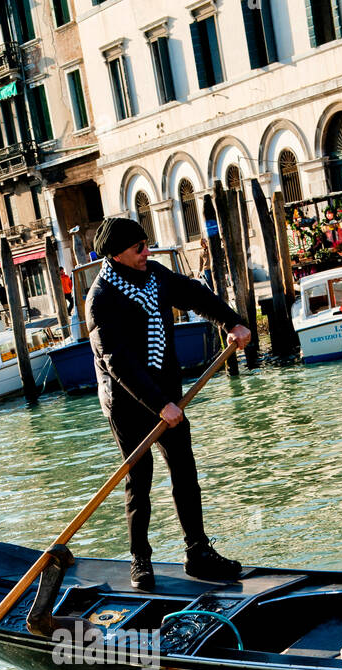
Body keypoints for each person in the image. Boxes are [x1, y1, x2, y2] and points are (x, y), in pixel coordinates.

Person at [86, 216, 252, 590]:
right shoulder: (100, 299)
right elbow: (117, 362)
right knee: (138, 478)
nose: (147, 252)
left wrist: (231, 322)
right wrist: (160, 404)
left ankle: (198, 552)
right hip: (126, 400)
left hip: (165, 392)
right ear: (116, 254)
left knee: (184, 470)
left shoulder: (156, 276)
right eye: (138, 248)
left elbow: (194, 294)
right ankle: (140, 560)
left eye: (147, 244)